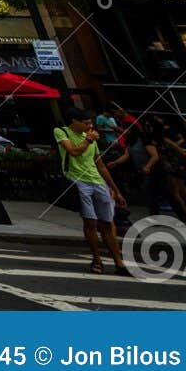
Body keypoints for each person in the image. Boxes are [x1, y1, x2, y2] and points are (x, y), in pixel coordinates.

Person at [54, 108, 127, 275]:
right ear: (74, 121)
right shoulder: (62, 131)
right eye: (86, 123)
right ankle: (97, 259)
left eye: (90, 123)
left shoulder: (91, 137)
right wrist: (88, 139)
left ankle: (119, 262)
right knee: (90, 222)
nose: (90, 126)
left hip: (97, 181)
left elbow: (99, 164)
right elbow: (73, 151)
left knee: (108, 223)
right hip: (78, 181)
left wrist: (115, 189)